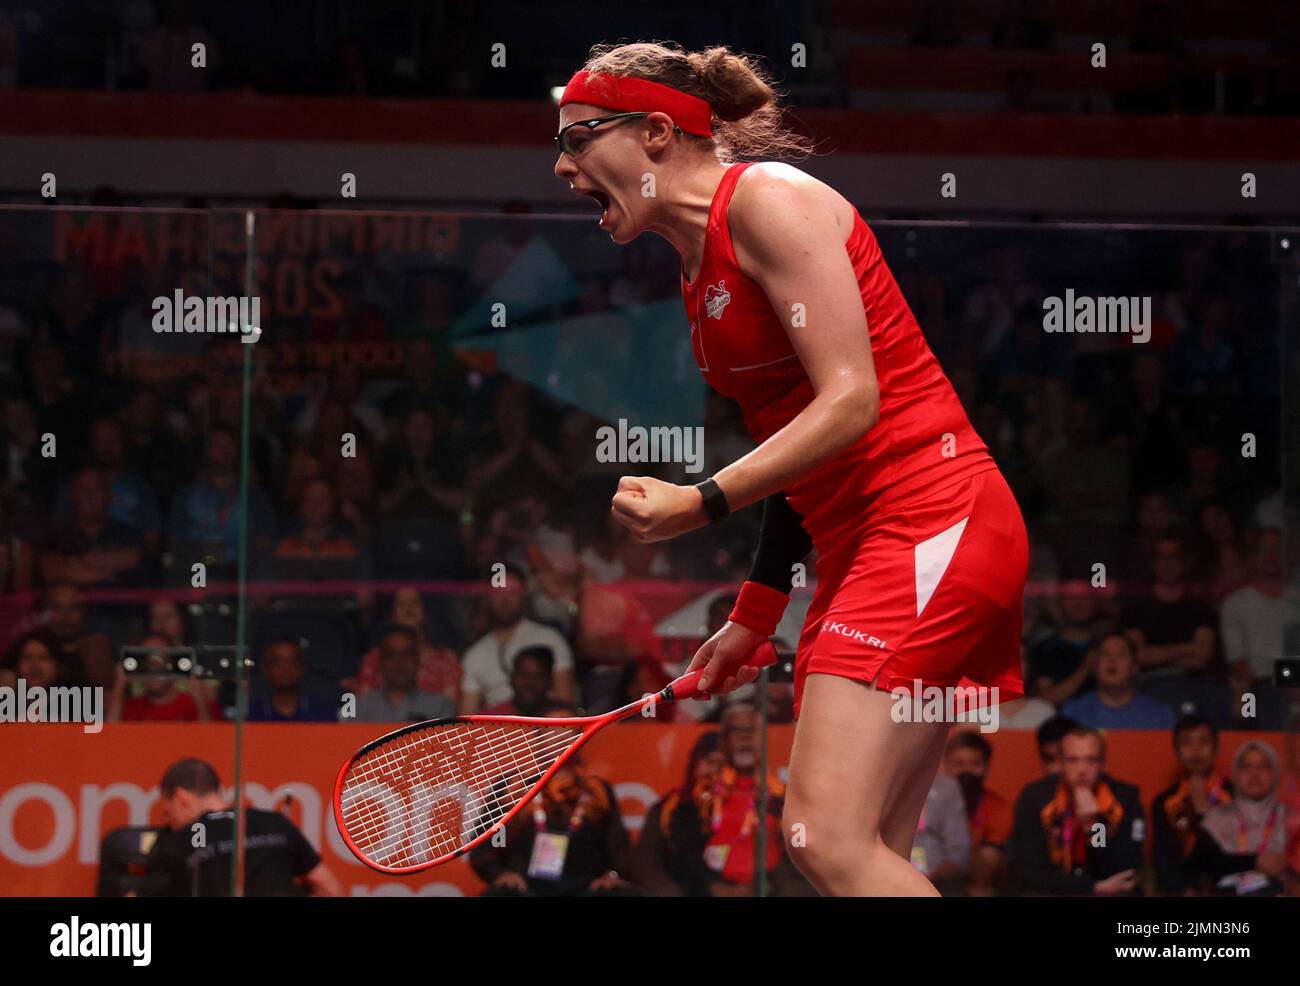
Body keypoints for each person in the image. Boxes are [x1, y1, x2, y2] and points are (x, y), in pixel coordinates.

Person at [555, 41, 1028, 896]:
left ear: (657, 132)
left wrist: (700, 502)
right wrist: (753, 613)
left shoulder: (770, 202)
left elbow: (853, 401)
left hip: (931, 520)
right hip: (863, 549)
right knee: (864, 847)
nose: (563, 164)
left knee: (822, 836)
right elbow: (797, 446)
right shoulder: (699, 274)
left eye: (580, 137)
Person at [140, 758, 342, 897]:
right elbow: (330, 889)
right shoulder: (277, 823)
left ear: (181, 797)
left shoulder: (177, 842)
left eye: (168, 813)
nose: (170, 823)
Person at [1006, 725, 1145, 896]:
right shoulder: (1035, 797)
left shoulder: (1125, 799)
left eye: (1091, 760)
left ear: (1103, 765)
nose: (1082, 770)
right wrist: (1089, 888)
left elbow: (1123, 870)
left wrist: (1093, 828)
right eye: (1072, 760)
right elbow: (1025, 868)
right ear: (1061, 764)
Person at [1188, 740, 1289, 896]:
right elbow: (1203, 867)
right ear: (1235, 773)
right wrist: (1255, 862)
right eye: (1246, 767)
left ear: (1275, 772)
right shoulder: (1215, 819)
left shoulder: (1292, 818)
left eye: (1263, 766)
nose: (1254, 774)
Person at [1151, 714, 1233, 895]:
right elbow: (1163, 857)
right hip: (1182, 887)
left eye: (1203, 742)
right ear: (1177, 752)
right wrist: (1182, 889)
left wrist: (1204, 812)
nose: (1196, 751)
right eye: (1187, 743)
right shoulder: (1164, 801)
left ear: (1216, 749)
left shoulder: (1234, 795)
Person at [944, 731, 1015, 895]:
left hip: (977, 880)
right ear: (946, 766)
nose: (966, 771)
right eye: (958, 764)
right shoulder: (930, 803)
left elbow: (991, 861)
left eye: (975, 764)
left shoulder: (1000, 808)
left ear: (986, 768)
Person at [1062, 632, 1176, 730]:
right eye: (1105, 653)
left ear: (1134, 667)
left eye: (1122, 654)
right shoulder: (1073, 712)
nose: (1112, 660)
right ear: (1094, 665)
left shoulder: (1160, 714)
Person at [349, 626, 454, 723]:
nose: (399, 661)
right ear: (381, 661)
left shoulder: (439, 706)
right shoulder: (359, 708)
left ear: (418, 660)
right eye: (391, 654)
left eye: (406, 654)